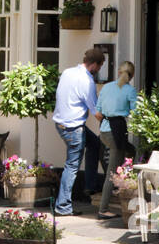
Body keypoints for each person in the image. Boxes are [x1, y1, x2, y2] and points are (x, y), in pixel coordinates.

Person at [52, 47, 105, 216]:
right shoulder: (87, 81)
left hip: (61, 123)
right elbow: (96, 112)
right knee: (72, 166)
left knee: (94, 144)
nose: (99, 71)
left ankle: (90, 186)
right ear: (95, 65)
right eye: (100, 67)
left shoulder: (68, 72)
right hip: (73, 128)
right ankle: (63, 206)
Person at [97, 61, 139, 218]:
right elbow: (136, 113)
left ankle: (121, 183)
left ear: (119, 72)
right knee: (112, 171)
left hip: (105, 129)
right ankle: (103, 208)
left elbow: (98, 110)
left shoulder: (107, 87)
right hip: (117, 130)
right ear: (132, 75)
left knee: (130, 151)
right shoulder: (130, 90)